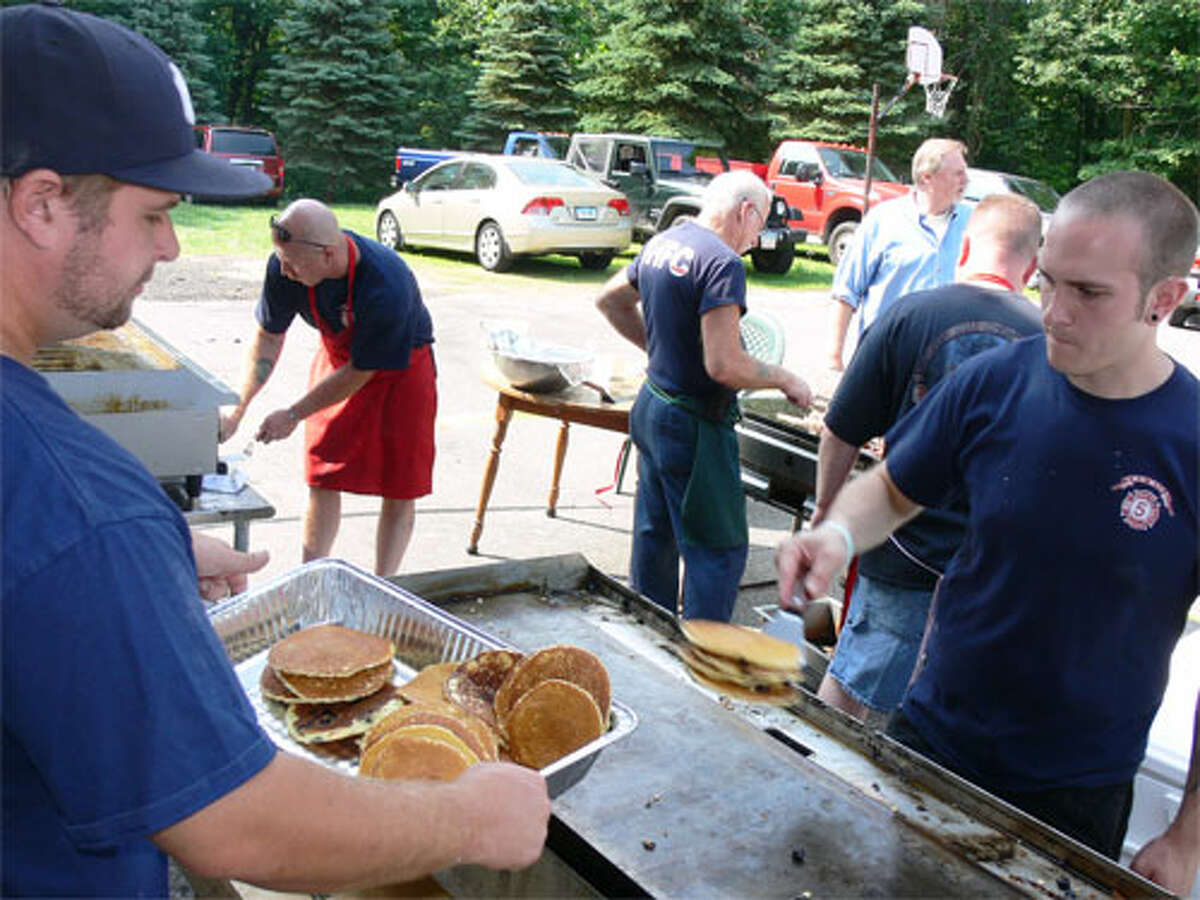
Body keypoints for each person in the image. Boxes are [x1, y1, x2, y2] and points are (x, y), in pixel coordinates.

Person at [0, 5, 548, 896]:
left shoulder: (389, 281)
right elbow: (237, 825)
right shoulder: (80, 505)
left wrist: (144, 554)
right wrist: (470, 816)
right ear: (43, 204)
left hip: (395, 381)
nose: (173, 247)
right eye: (154, 215)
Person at [777, 171, 1199, 895]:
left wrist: (1189, 837)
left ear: (1165, 299)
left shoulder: (1191, 442)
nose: (1056, 313)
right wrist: (839, 534)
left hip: (1075, 791)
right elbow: (890, 489)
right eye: (1050, 283)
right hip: (934, 737)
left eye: (1089, 293)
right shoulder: (996, 380)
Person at [813, 192, 1045, 725]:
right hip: (991, 573)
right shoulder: (1048, 341)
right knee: (943, 723)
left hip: (901, 548)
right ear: (1032, 266)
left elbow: (840, 431)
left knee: (849, 704)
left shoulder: (910, 314)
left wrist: (827, 512)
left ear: (964, 247)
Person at [596, 170, 813, 621]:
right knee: (719, 551)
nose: (757, 238)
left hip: (652, 407)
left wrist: (662, 350)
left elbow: (609, 300)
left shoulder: (666, 241)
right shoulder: (722, 264)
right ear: (744, 210)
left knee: (655, 538)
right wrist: (785, 378)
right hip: (692, 425)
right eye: (762, 222)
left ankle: (649, 639)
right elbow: (725, 366)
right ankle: (701, 662)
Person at [219, 198, 437, 577]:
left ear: (329, 255)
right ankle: (311, 576)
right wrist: (238, 410)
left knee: (400, 483)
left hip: (399, 369)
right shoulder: (286, 264)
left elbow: (362, 370)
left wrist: (293, 414)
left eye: (294, 264)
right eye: (281, 260)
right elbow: (269, 337)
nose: (284, 271)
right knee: (322, 472)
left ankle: (384, 585)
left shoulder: (387, 282)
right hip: (339, 357)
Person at [826, 138, 970, 370]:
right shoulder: (882, 221)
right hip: (885, 357)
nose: (966, 180)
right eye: (958, 174)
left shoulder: (973, 224)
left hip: (945, 362)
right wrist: (834, 357)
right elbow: (846, 291)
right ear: (927, 177)